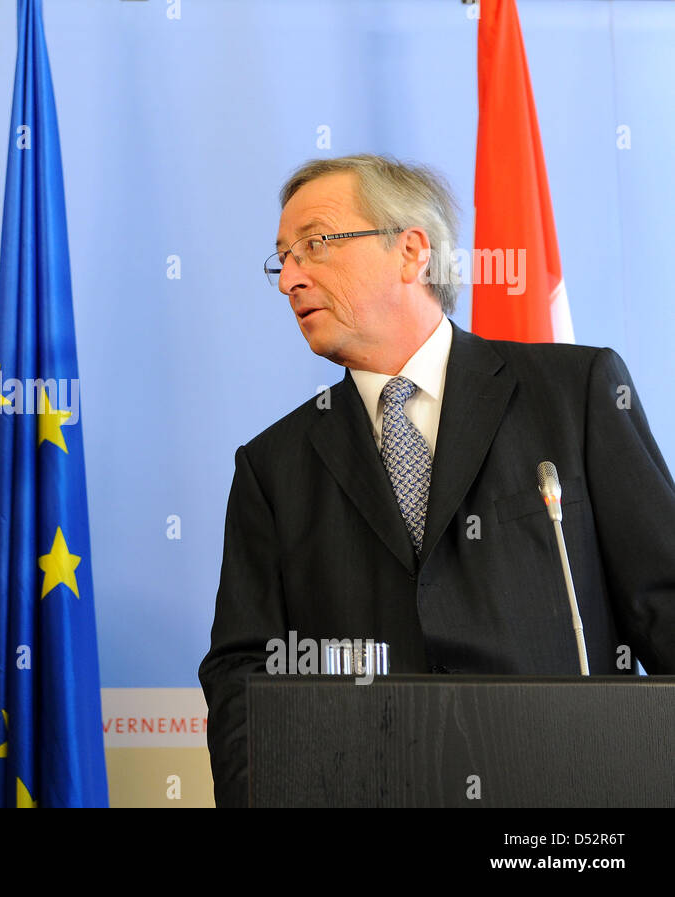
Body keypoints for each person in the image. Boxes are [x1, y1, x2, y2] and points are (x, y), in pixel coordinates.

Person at [199, 155, 675, 807]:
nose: (290, 278)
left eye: (314, 244)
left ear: (411, 250)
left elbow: (663, 601)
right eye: (281, 259)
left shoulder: (574, 394)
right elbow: (241, 674)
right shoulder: (272, 467)